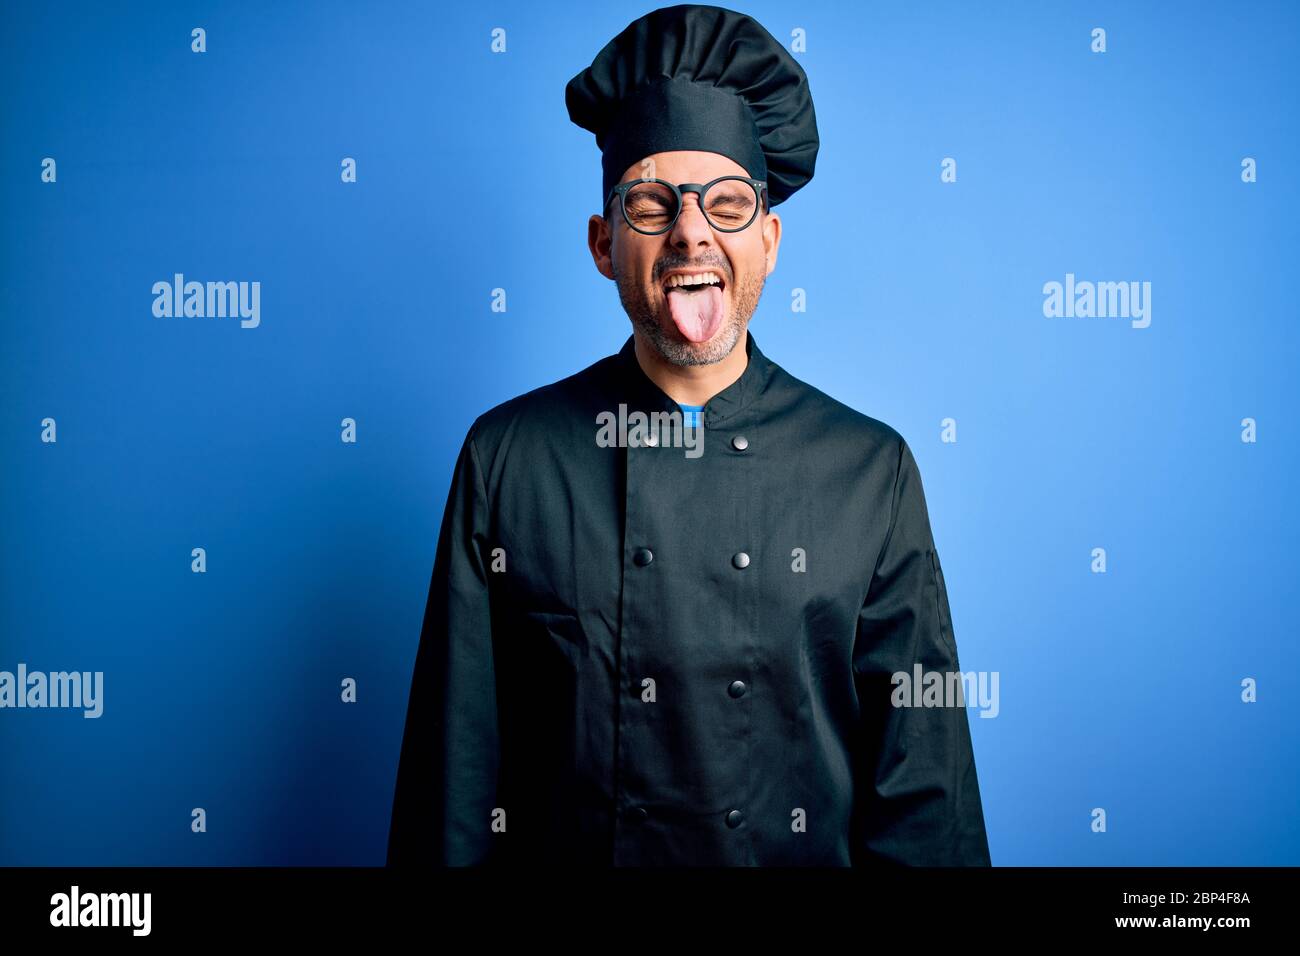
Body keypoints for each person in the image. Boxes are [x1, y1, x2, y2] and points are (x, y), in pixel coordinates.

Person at [387, 3, 991, 866]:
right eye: (650, 202)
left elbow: (927, 804)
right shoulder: (507, 461)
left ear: (770, 241)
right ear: (603, 243)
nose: (691, 229)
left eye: (729, 202)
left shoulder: (870, 472)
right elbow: (454, 786)